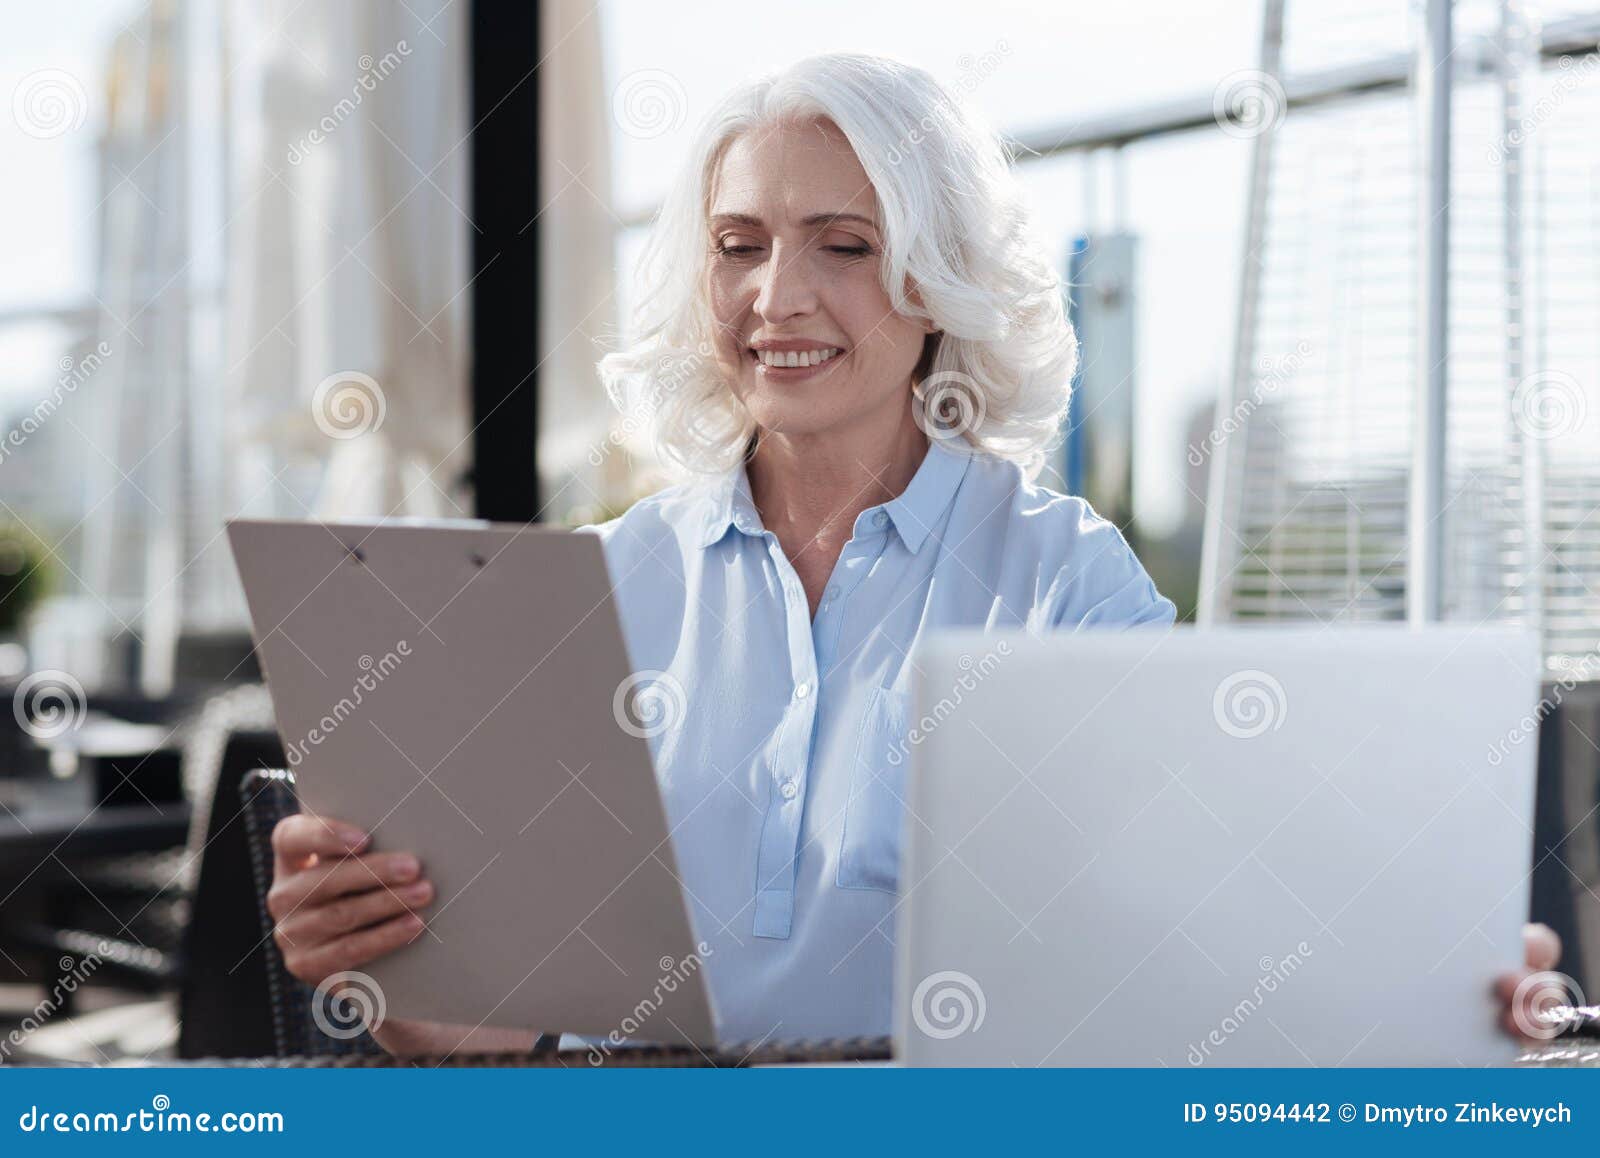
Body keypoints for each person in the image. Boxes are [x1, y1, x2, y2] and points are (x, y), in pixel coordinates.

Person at [265, 53, 1561, 1056]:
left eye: (847, 245)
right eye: (740, 246)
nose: (778, 296)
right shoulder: (597, 585)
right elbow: (509, 1028)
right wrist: (420, 999)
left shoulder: (1060, 579)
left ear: (935, 283)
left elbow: (1216, 917)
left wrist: (1432, 982)